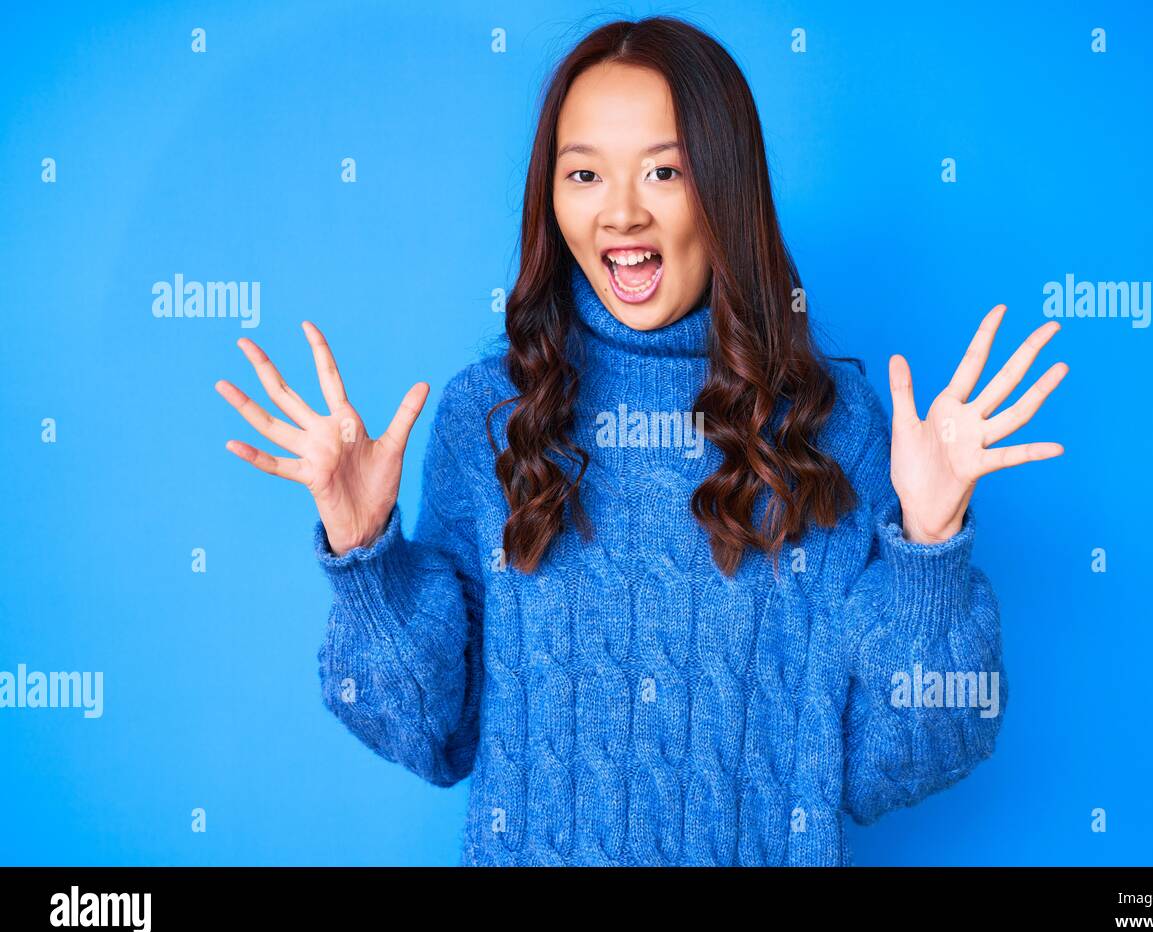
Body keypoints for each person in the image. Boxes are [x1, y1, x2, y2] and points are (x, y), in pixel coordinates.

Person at [214, 15, 1066, 866]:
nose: (621, 210)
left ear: (725, 188)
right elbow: (433, 732)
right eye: (584, 172)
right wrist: (367, 559)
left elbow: (899, 764)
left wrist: (929, 550)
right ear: (551, 196)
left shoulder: (827, 425)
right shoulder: (493, 419)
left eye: (665, 170)